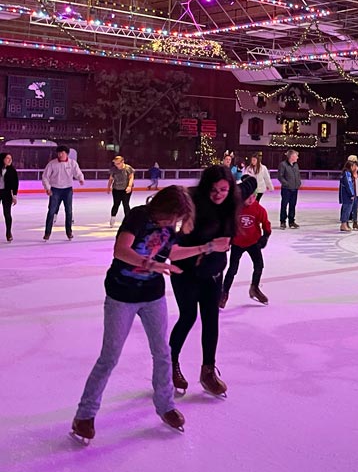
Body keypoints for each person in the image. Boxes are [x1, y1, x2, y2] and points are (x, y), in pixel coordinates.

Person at [70, 186, 201, 445]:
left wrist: (205, 248)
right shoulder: (139, 216)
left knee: (163, 352)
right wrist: (151, 264)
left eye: (175, 220)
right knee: (109, 358)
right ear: (162, 207)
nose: (171, 223)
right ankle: (84, 416)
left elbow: (169, 252)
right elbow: (121, 250)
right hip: (122, 296)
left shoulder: (168, 226)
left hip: (153, 296)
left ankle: (165, 405)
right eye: (170, 217)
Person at [169, 166, 239, 399]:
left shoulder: (230, 208)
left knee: (211, 321)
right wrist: (207, 247)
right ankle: (169, 365)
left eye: (224, 190)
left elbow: (250, 184)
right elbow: (174, 252)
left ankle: (208, 371)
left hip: (213, 275)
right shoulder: (192, 209)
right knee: (188, 317)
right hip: (186, 275)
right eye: (213, 190)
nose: (219, 194)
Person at [220, 176, 271, 308]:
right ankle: (224, 293)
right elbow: (228, 224)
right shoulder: (236, 208)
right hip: (237, 243)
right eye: (248, 197)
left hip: (253, 242)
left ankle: (254, 287)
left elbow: (266, 223)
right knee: (232, 269)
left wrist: (265, 235)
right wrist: (228, 239)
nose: (251, 200)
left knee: (259, 265)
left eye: (253, 197)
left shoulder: (259, 209)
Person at [42, 145, 85, 241]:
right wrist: (48, 188)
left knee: (69, 211)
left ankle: (69, 232)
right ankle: (47, 233)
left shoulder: (72, 163)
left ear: (67, 154)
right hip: (55, 190)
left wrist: (80, 179)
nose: (60, 155)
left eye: (62, 153)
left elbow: (77, 172)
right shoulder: (52, 164)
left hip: (67, 190)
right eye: (59, 153)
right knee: (51, 211)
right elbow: (45, 176)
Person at [107, 155, 135, 227]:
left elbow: (131, 178)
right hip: (116, 189)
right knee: (116, 204)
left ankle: (128, 220)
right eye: (115, 163)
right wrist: (108, 187)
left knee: (126, 204)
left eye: (118, 163)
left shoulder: (128, 168)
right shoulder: (114, 169)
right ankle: (113, 218)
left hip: (126, 189)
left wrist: (129, 186)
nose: (116, 165)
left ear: (122, 162)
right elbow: (111, 179)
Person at [277, 150, 302, 229]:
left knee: (292, 205)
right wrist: (286, 184)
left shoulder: (296, 165)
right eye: (296, 156)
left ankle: (291, 221)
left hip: (295, 188)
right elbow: (280, 176)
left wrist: (298, 183)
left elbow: (298, 175)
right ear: (291, 157)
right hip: (286, 189)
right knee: (284, 205)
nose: (297, 158)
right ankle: (283, 221)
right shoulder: (283, 165)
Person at [0, 152, 18, 242]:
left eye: (10, 158)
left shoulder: (12, 171)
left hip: (6, 193)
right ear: (2, 159)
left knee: (7, 214)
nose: (10, 160)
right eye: (7, 158)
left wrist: (14, 196)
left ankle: (8, 233)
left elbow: (15, 184)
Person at [339, 161, 357, 233]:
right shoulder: (347, 174)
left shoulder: (347, 173)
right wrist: (351, 194)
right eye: (353, 166)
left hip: (346, 194)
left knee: (346, 209)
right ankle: (344, 224)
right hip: (347, 195)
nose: (354, 168)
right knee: (347, 209)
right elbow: (348, 185)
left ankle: (344, 224)